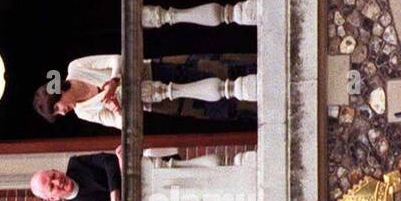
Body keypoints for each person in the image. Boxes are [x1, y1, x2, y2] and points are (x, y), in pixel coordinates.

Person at [31, 53, 258, 131]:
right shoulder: (84, 112)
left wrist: (114, 80)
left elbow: (115, 59)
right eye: (59, 114)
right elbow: (121, 125)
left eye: (58, 109)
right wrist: (117, 109)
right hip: (155, 100)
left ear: (57, 94)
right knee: (212, 105)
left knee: (211, 68)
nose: (64, 112)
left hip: (153, 70)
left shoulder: (76, 68)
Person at [29, 152, 124, 201]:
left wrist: (114, 198)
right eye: (51, 186)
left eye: (53, 176)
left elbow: (109, 160)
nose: (58, 181)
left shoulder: (76, 163)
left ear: (56, 170)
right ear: (53, 198)